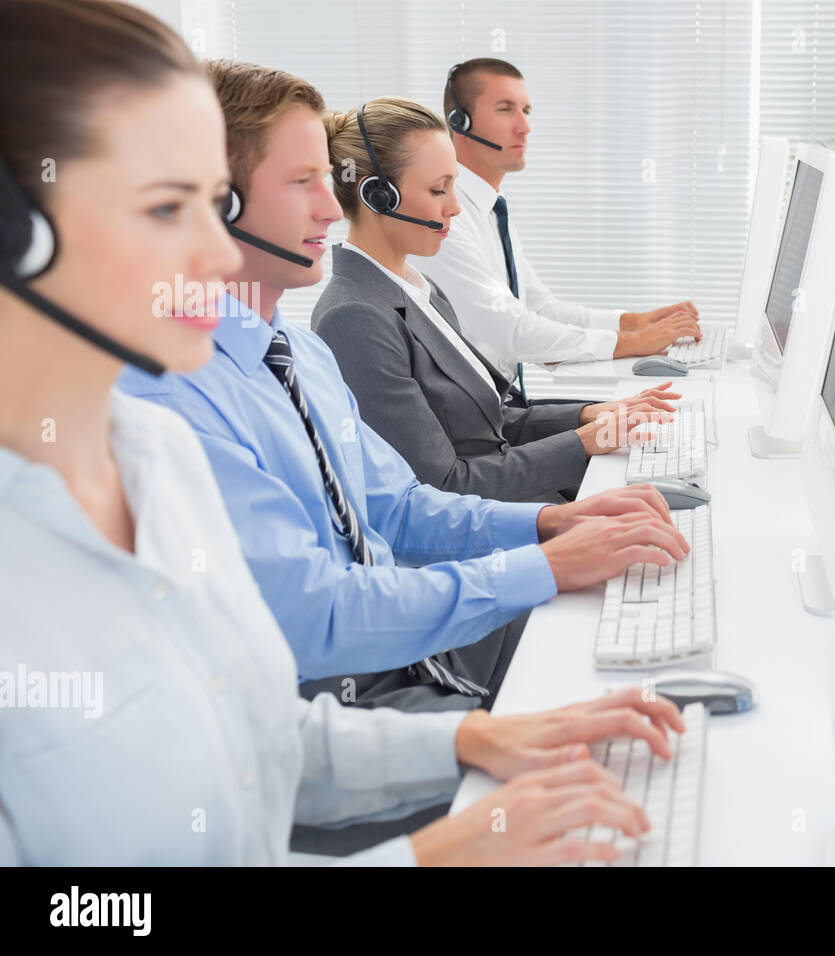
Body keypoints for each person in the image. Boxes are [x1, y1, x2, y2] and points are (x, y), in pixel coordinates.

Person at [0, 0, 685, 868]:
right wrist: (430, 858)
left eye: (214, 204)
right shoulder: (153, 438)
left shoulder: (151, 455)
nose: (217, 255)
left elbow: (254, 738)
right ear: (15, 234)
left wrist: (471, 741)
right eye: (169, 208)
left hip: (382, 715)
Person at [117, 59, 690, 718]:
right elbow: (320, 616)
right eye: (303, 182)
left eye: (327, 178)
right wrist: (545, 565)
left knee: (636, 656)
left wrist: (551, 523)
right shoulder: (173, 401)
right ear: (217, 204)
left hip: (409, 657)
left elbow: (399, 509)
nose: (332, 206)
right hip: (351, 701)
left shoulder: (301, 355)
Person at [314, 96, 683, 503]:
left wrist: (590, 416)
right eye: (438, 189)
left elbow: (483, 425)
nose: (455, 208)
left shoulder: (419, 289)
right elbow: (440, 486)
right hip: (486, 515)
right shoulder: (355, 317)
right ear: (377, 196)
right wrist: (583, 443)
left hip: (507, 492)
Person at [409, 57, 704, 385]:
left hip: (502, 402)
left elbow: (539, 307)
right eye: (505, 109)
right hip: (474, 410)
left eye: (526, 111)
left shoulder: (491, 210)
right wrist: (633, 343)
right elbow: (510, 330)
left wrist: (633, 323)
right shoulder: (445, 216)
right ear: (459, 122)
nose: (524, 127)